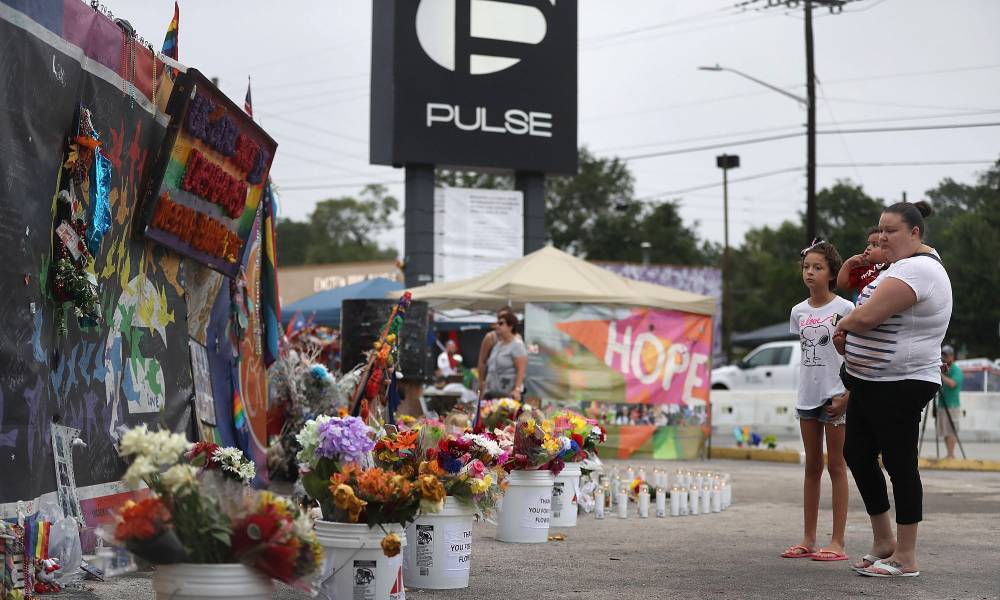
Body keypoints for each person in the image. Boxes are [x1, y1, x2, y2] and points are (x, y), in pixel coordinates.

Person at [833, 200, 952, 578]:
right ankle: (884, 541)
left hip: (901, 383)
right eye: (880, 229)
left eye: (892, 230)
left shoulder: (919, 269)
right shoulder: (899, 267)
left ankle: (906, 557)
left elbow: (868, 316)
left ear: (914, 233)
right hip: (872, 382)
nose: (882, 236)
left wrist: (843, 326)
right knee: (857, 452)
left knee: (900, 465)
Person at [781, 240, 854, 562]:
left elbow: (854, 355)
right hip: (806, 396)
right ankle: (808, 538)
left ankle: (837, 541)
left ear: (832, 273)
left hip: (836, 394)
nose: (810, 273)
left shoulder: (846, 310)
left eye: (817, 267)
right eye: (806, 267)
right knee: (812, 466)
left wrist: (847, 394)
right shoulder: (798, 312)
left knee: (837, 466)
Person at [483, 312, 527, 400]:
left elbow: (521, 370)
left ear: (510, 326)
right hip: (491, 393)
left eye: (501, 323)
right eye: (497, 323)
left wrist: (517, 390)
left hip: (507, 395)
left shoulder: (517, 345)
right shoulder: (498, 345)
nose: (497, 326)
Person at [836, 226, 887, 299]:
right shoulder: (863, 266)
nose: (868, 248)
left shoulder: (893, 266)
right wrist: (847, 264)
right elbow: (842, 285)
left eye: (875, 245)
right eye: (868, 244)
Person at [477, 307, 515, 397]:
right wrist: (481, 382)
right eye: (499, 321)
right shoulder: (491, 337)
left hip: (509, 384)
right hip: (492, 384)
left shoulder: (517, 339)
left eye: (503, 322)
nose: (499, 324)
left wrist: (517, 387)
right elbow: (482, 361)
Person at [937, 345, 963, 459]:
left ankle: (951, 454)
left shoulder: (956, 370)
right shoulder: (943, 368)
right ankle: (948, 454)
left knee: (951, 430)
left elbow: (952, 383)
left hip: (952, 405)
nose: (944, 357)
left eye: (946, 355)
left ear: (952, 356)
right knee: (945, 430)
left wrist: (940, 375)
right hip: (942, 404)